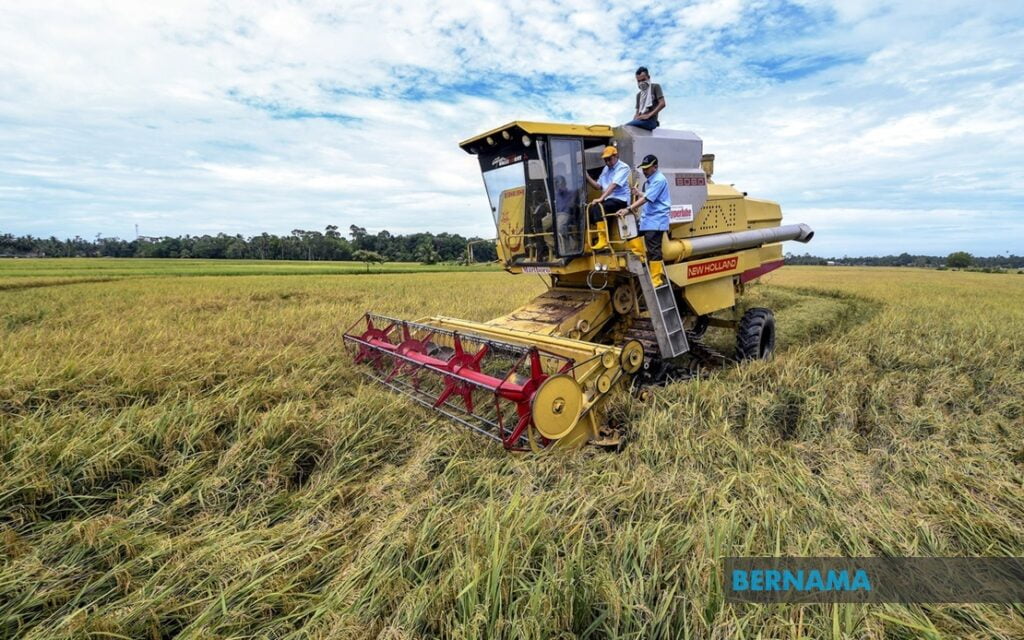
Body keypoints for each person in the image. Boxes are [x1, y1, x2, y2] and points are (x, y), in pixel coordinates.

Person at [626, 154, 670, 286]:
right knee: (631, 232)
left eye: (647, 168)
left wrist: (629, 209)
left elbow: (647, 199)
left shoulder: (659, 180)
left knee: (654, 250)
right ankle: (641, 257)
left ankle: (656, 279)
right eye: (643, 168)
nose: (644, 171)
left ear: (655, 167)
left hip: (656, 220)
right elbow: (649, 196)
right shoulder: (651, 180)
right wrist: (639, 193)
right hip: (648, 219)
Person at [585, 146, 631, 250]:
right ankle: (591, 239)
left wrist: (601, 198)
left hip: (620, 200)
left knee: (598, 207)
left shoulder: (623, 167)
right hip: (609, 200)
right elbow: (598, 186)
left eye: (609, 159)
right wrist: (587, 177)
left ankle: (603, 239)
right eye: (605, 160)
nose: (607, 162)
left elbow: (613, 185)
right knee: (589, 210)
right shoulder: (606, 169)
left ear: (616, 156)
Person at [625, 67, 665, 131]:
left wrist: (649, 115)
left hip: (650, 120)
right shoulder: (638, 95)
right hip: (640, 120)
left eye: (643, 80)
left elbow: (662, 103)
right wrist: (635, 119)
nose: (641, 83)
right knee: (626, 127)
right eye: (638, 81)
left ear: (648, 77)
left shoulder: (655, 87)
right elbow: (637, 112)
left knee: (627, 126)